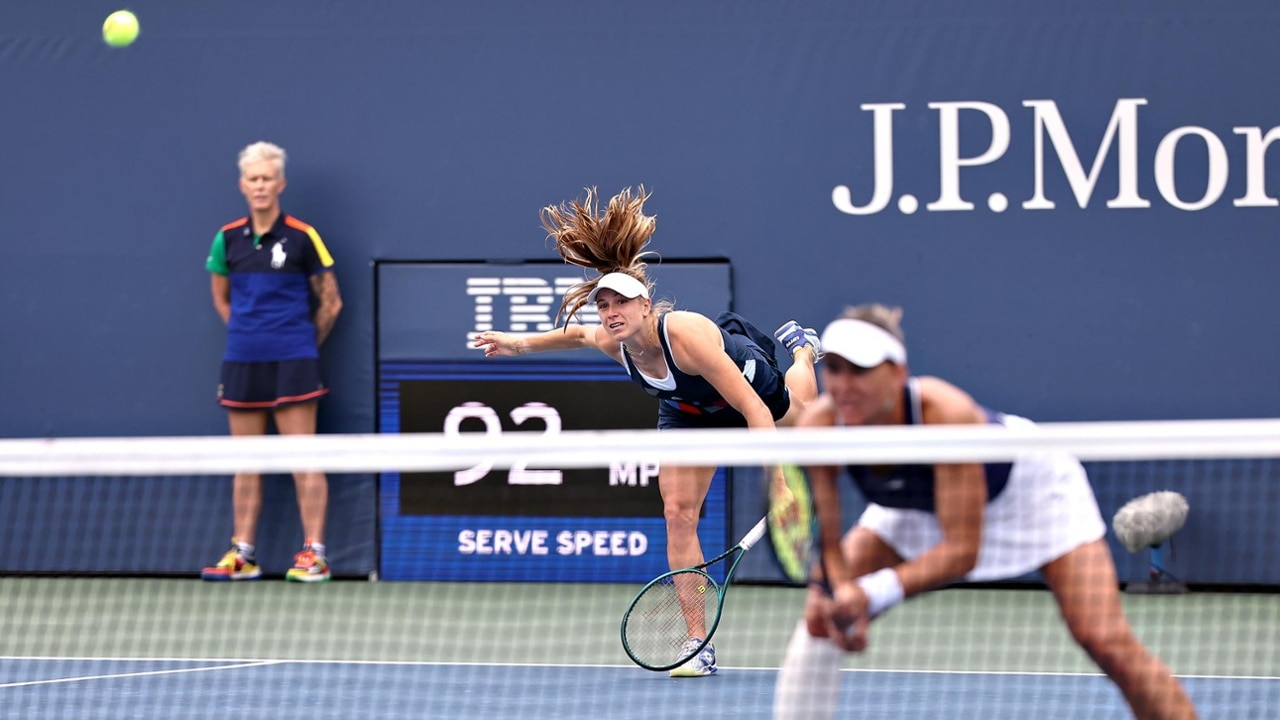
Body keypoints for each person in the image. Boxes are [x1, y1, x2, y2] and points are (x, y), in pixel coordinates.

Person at [772, 304, 1198, 719]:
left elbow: (962, 551)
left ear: (898, 374)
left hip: (1032, 492)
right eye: (837, 369)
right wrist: (842, 594)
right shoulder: (822, 427)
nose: (845, 384)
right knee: (819, 616)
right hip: (916, 506)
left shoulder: (946, 416)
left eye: (861, 370)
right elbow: (828, 542)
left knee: (1103, 639)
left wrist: (871, 594)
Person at [474, 186, 822, 677]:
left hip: (744, 389)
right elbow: (573, 333)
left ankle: (805, 352)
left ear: (645, 305)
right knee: (678, 514)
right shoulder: (612, 342)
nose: (610, 312)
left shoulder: (684, 334)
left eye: (621, 302)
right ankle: (697, 642)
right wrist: (516, 344)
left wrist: (779, 481)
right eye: (603, 305)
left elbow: (752, 411)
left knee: (803, 415)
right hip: (686, 413)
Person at [201, 141, 343, 584]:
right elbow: (222, 299)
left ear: (280, 184)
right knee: (247, 462)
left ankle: (313, 554)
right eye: (253, 178)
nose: (260, 185)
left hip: (295, 360)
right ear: (242, 185)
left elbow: (332, 302)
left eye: (267, 178)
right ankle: (242, 554)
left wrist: (301, 342)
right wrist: (250, 334)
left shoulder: (303, 235)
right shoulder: (227, 239)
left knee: (303, 457)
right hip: (243, 361)